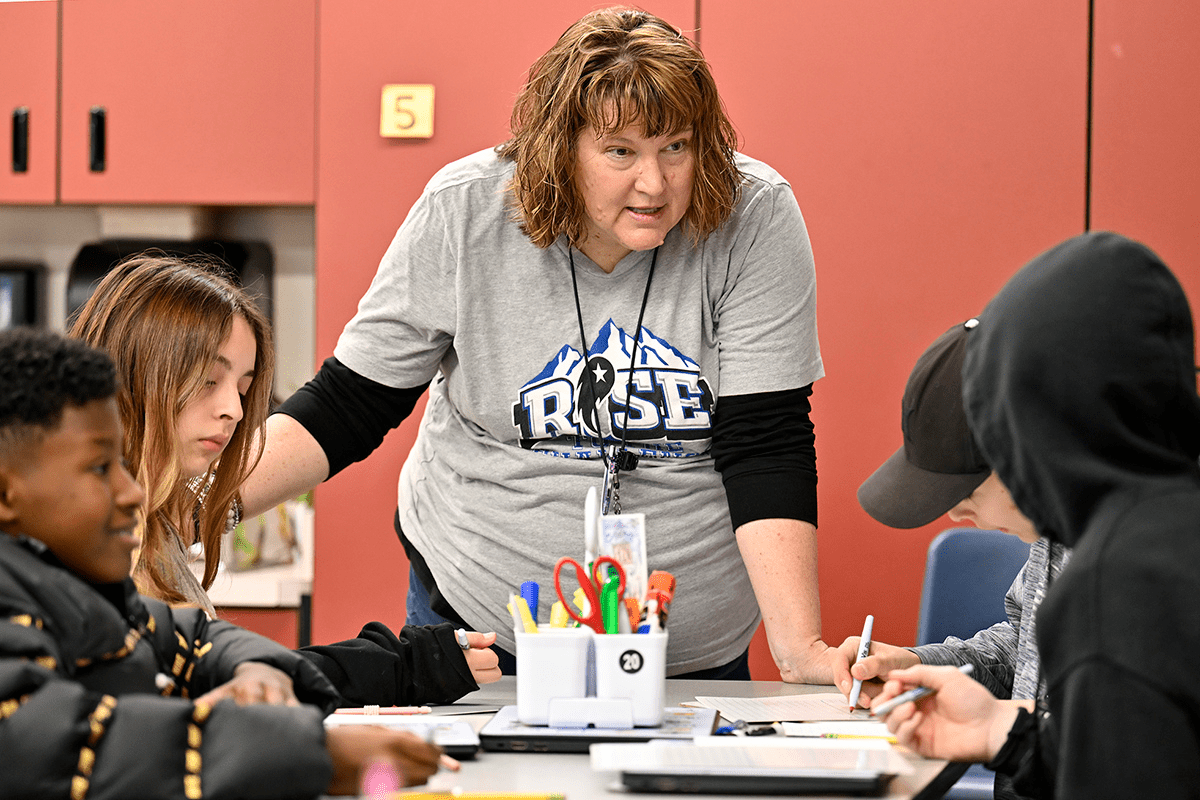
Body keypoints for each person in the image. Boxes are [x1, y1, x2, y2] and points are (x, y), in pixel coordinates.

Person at [240, 6, 839, 683]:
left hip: (682, 642)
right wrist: (199, 506)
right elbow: (350, 406)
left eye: (677, 147)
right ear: (560, 148)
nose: (656, 183)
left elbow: (765, 441)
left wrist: (799, 651)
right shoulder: (465, 211)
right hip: (479, 614)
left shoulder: (751, 213)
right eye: (621, 153)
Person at [0, 328, 451, 797]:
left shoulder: (75, 590)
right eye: (99, 469)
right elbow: (58, 749)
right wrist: (319, 755)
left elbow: (194, 636)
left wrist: (257, 672)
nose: (130, 490)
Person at [69, 253, 499, 705]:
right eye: (208, 381)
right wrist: (404, 668)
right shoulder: (93, 541)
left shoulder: (148, 525)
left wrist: (408, 666)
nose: (233, 411)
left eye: (241, 389)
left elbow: (219, 672)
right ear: (137, 375)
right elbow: (216, 689)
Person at [873, 232, 1200, 798]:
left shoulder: (1117, 582)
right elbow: (1125, 749)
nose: (955, 512)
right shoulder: (1154, 530)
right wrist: (1007, 730)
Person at [837, 320, 1071, 800]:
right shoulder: (1056, 535)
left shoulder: (1157, 566)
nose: (955, 512)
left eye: (966, 489)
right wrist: (916, 662)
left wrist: (1001, 733)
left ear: (1032, 454)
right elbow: (1026, 651)